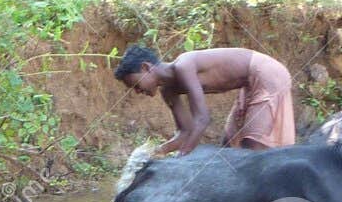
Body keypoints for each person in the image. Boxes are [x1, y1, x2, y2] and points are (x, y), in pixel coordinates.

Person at [113, 44, 295, 153]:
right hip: (249, 83)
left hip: (267, 73)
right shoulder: (168, 91)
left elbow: (202, 119)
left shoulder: (184, 65)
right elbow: (185, 132)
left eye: (135, 85)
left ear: (146, 68)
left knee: (253, 147)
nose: (137, 91)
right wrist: (155, 153)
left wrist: (182, 157)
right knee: (229, 144)